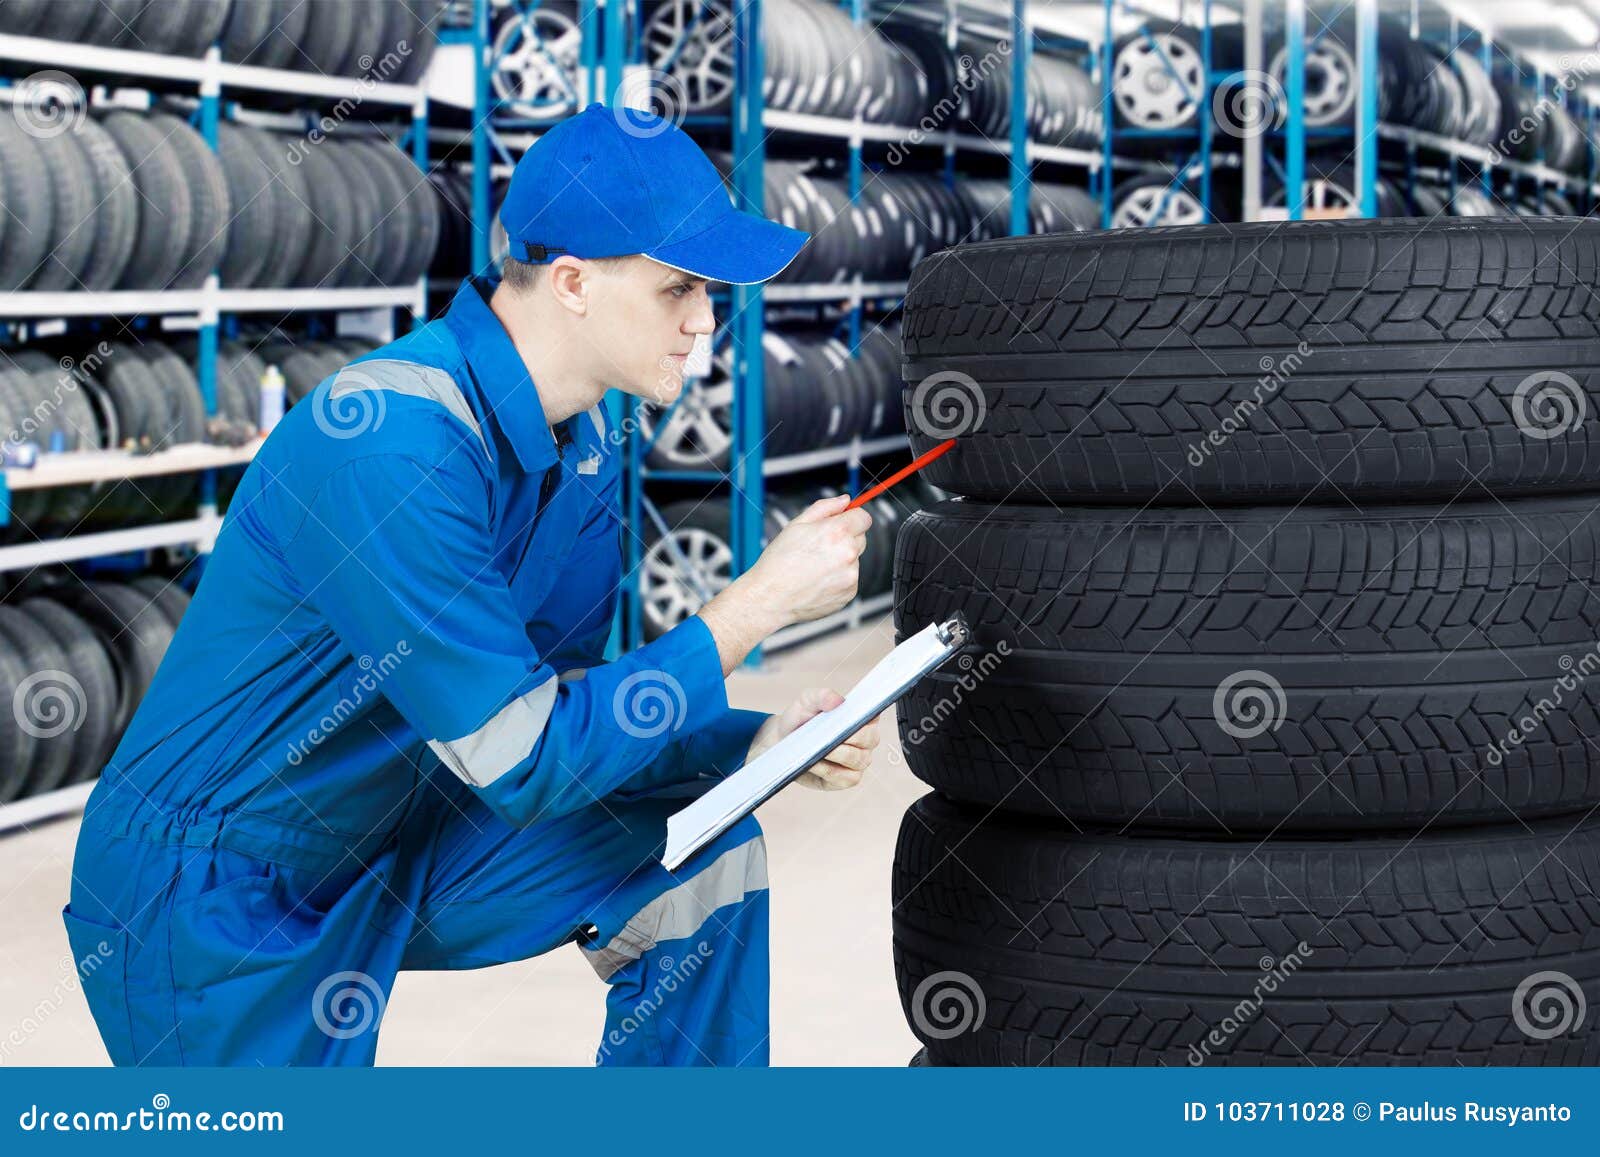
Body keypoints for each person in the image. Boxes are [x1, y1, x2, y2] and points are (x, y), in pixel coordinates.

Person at [62, 103, 878, 1067]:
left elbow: (553, 719)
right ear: (573, 282)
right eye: (680, 289)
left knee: (696, 852)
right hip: (219, 879)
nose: (707, 320)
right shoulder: (389, 443)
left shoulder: (579, 448)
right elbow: (524, 759)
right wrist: (754, 608)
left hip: (404, 821)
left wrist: (755, 743)